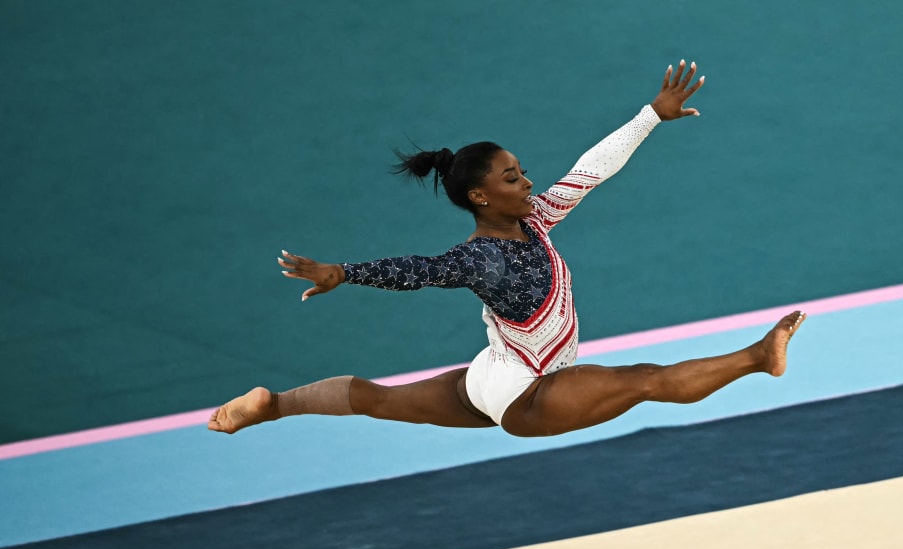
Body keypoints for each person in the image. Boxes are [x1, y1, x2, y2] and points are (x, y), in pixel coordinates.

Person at [209, 60, 806, 438]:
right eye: (511, 177)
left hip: (488, 376)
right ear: (480, 195)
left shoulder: (537, 218)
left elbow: (590, 170)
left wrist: (650, 115)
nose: (526, 182)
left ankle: (273, 404)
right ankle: (759, 356)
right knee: (644, 380)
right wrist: (347, 271)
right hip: (529, 393)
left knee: (374, 398)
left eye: (521, 171)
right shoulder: (483, 258)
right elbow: (422, 270)